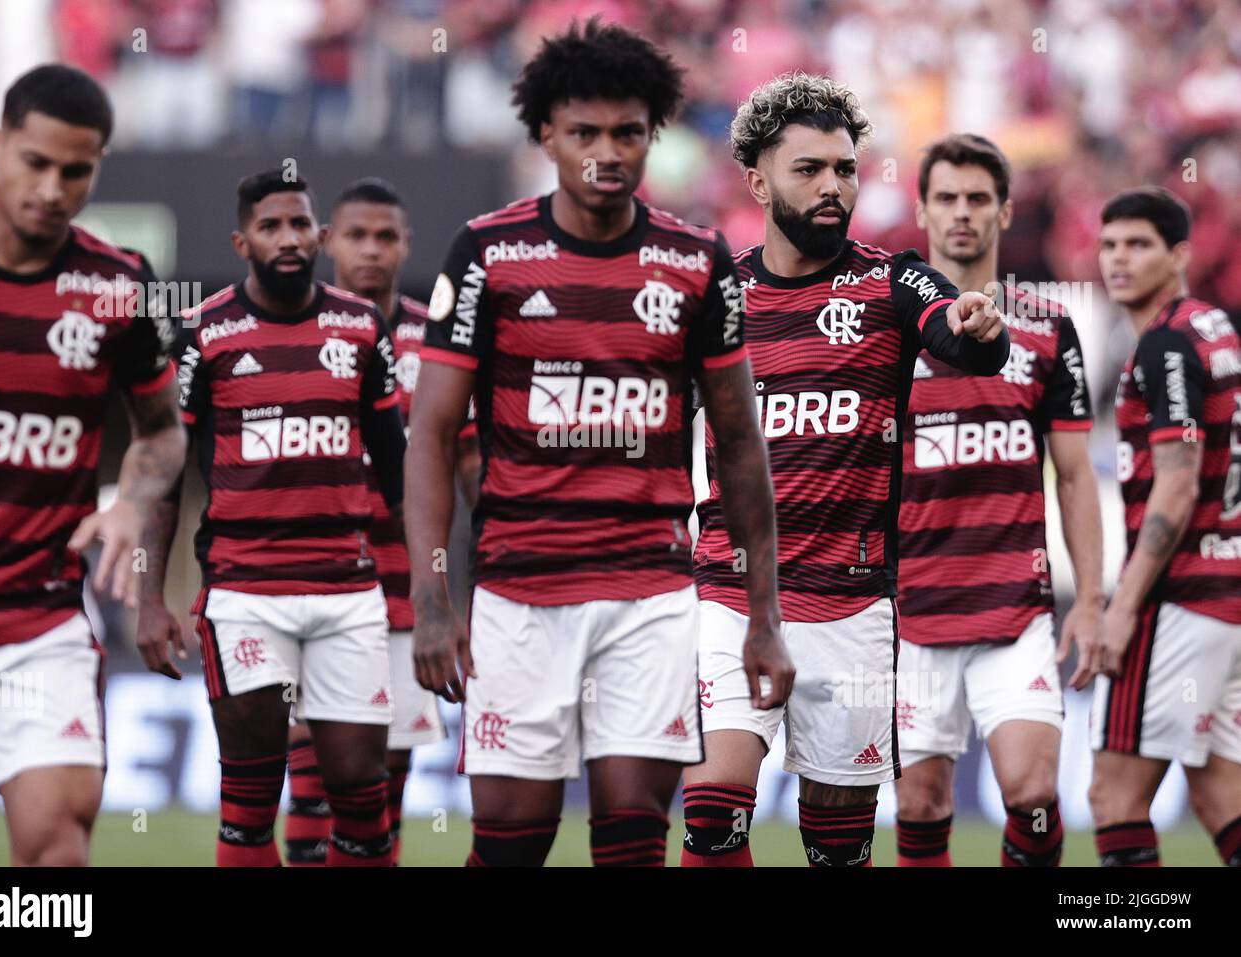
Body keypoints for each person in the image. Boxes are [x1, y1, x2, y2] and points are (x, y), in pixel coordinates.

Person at [406, 17, 792, 867]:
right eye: (584, 132)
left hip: (648, 593)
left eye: (628, 132)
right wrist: (432, 599)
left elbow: (739, 443)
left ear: (653, 134)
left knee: (631, 836)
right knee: (511, 845)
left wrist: (764, 616)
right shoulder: (487, 254)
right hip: (519, 589)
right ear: (546, 133)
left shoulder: (696, 261)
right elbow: (432, 434)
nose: (607, 151)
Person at [685, 73, 1009, 867]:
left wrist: (980, 324)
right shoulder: (715, 291)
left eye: (845, 168)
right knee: (712, 803)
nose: (834, 186)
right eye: (809, 170)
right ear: (759, 182)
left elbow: (962, 334)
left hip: (852, 604)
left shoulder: (892, 279)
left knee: (837, 845)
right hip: (733, 594)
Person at [0, 64, 184, 866]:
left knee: (57, 858)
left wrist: (128, 503)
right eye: (34, 162)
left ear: (97, 167)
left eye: (74, 170)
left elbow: (162, 431)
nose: (52, 187)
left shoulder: (125, 286)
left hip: (38, 623)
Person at [136, 170, 407, 866]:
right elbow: (165, 475)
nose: (287, 239)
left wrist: (435, 594)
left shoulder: (360, 327)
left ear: (317, 234)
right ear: (241, 240)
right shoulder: (206, 333)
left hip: (347, 593)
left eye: (298, 225)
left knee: (362, 796)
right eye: (270, 226)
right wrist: (149, 601)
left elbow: (401, 477)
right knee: (250, 807)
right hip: (245, 594)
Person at [892, 133, 1102, 867]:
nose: (962, 213)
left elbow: (1074, 473)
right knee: (919, 804)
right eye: (946, 198)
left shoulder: (1047, 327)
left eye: (978, 198)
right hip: (909, 609)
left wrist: (1095, 600)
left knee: (1035, 791)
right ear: (921, 209)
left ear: (1006, 211)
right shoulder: (891, 330)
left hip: (1013, 604)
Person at [282, 176, 480, 866]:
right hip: (310, 588)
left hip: (404, 598)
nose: (372, 251)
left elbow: (472, 465)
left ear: (406, 246)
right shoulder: (294, 329)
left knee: (380, 798)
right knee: (311, 787)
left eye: (386, 237)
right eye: (357, 236)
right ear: (329, 241)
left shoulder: (436, 342)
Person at [1088, 186, 1241, 867]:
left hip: (1179, 597)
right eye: (1110, 244)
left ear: (1179, 255)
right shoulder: (1215, 326)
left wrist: (1122, 606)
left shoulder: (1167, 345)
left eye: (1139, 245)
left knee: (1113, 797)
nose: (1119, 259)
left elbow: (1176, 487)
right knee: (1220, 795)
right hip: (1227, 601)